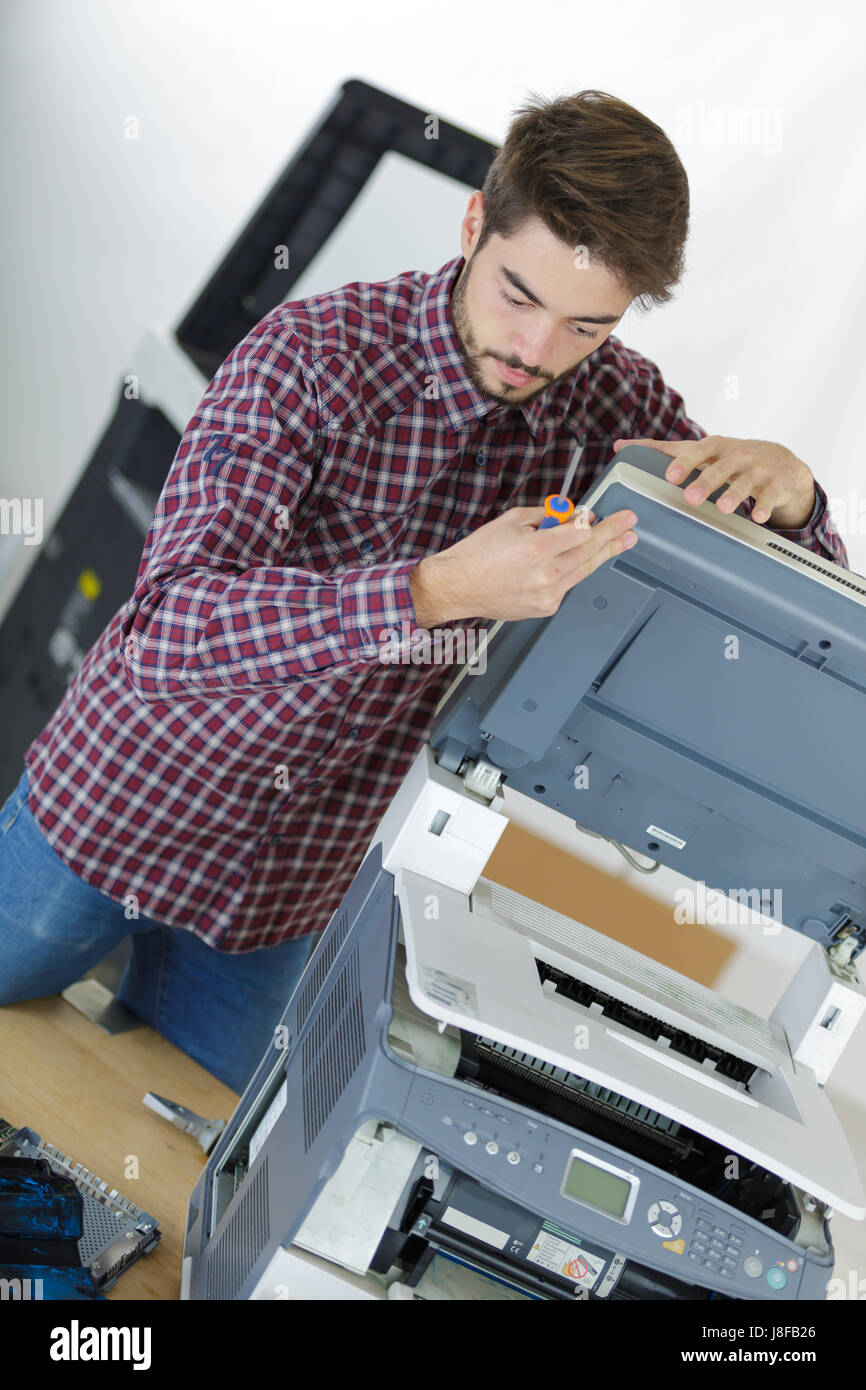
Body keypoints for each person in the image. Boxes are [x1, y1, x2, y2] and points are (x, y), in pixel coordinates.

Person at [0, 89, 848, 1094]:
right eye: (516, 296)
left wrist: (794, 506)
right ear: (471, 225)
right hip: (118, 813)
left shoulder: (617, 401)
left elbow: (788, 624)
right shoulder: (304, 359)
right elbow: (171, 625)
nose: (536, 352)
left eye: (584, 325)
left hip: (289, 884)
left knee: (194, 1164)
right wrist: (432, 588)